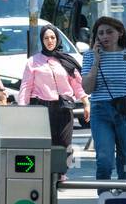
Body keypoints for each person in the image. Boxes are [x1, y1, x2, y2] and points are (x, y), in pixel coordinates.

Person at [17, 24, 86, 153]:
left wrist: (86, 103)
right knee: (45, 146)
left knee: (65, 145)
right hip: (42, 109)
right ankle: (47, 173)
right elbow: (26, 86)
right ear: (42, 41)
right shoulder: (33, 61)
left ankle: (62, 173)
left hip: (64, 108)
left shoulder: (66, 60)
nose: (50, 41)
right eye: (46, 38)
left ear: (57, 39)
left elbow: (77, 83)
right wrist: (23, 109)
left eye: (53, 37)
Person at [82, 15, 126, 181]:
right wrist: (96, 61)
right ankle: (104, 198)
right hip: (100, 110)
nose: (104, 36)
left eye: (109, 32)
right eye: (100, 33)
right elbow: (87, 88)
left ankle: (123, 197)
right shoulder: (90, 55)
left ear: (120, 33)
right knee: (104, 160)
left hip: (125, 109)